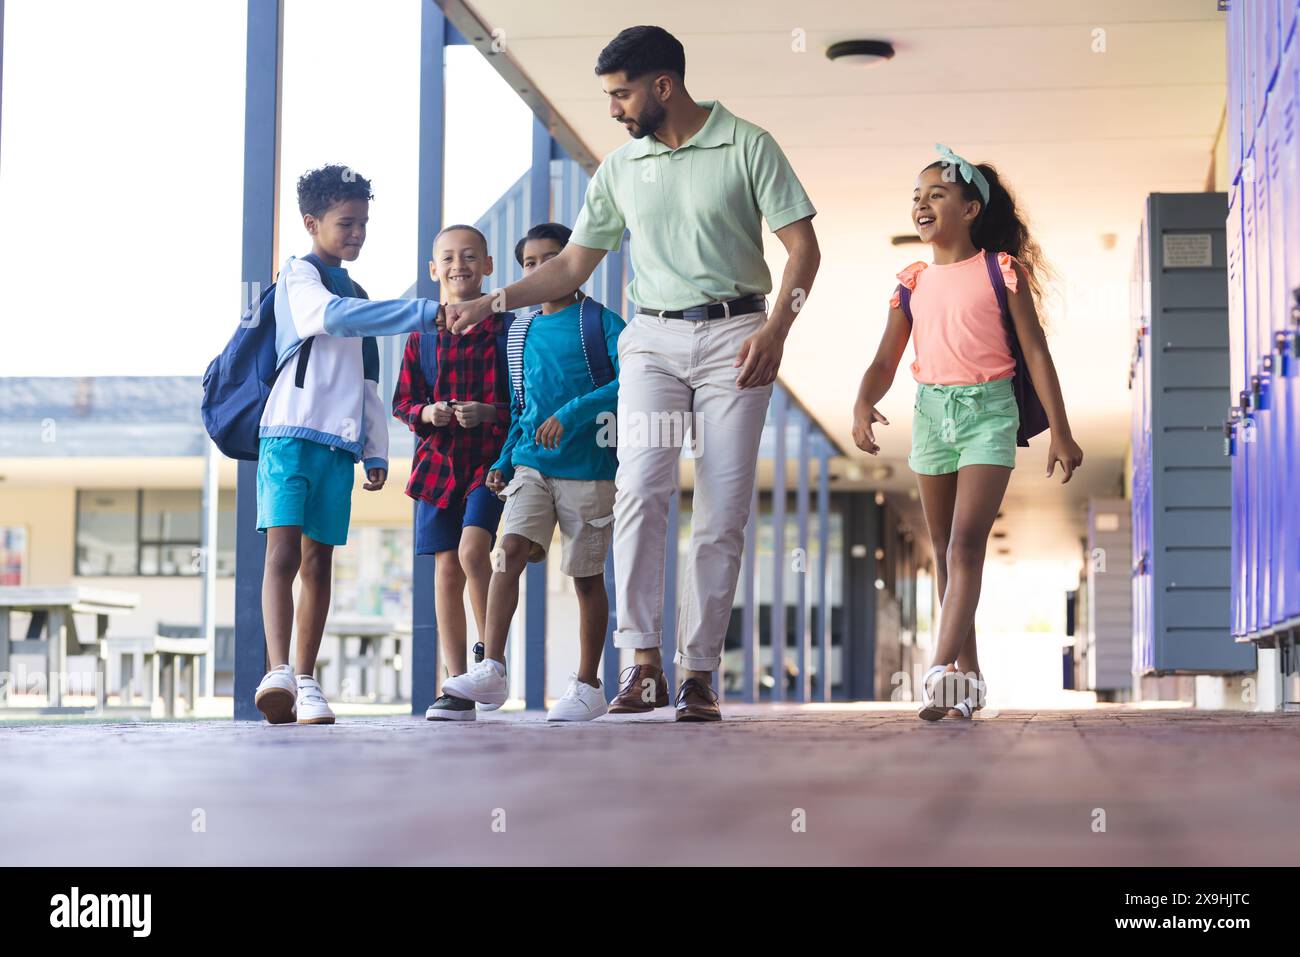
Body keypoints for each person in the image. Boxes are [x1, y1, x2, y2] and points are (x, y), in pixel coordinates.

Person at [446, 26, 820, 722]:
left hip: (738, 338)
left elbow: (804, 249)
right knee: (642, 488)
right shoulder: (620, 168)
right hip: (652, 342)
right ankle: (643, 664)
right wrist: (494, 301)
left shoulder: (748, 145)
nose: (614, 109)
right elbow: (570, 266)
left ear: (663, 86)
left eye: (621, 94)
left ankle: (699, 671)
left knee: (721, 510)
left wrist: (777, 329)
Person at [851, 145, 1084, 720]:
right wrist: (862, 401)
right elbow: (884, 359)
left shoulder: (1001, 270)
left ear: (971, 208)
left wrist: (1061, 430)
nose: (922, 204)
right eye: (917, 196)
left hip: (989, 412)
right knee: (942, 552)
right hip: (931, 414)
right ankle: (969, 678)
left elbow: (1035, 351)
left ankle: (939, 669)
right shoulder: (912, 281)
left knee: (965, 546)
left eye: (937, 194)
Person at [253, 164, 443, 725]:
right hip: (287, 437)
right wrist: (425, 312)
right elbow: (332, 318)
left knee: (319, 562)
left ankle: (307, 680)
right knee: (282, 554)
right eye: (346, 223)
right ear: (311, 223)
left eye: (363, 223)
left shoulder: (358, 294)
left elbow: (368, 382)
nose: (357, 233)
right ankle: (277, 671)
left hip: (337, 448)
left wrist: (375, 449)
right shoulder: (299, 277)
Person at [441, 223, 625, 721]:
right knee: (507, 552)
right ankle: (492, 666)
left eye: (551, 259)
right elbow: (523, 408)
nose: (539, 270)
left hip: (590, 469)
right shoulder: (520, 332)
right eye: (529, 263)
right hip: (532, 465)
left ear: (574, 263)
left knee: (586, 578)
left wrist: (571, 414)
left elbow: (631, 380)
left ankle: (588, 684)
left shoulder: (600, 323)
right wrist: (504, 461)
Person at [392, 224, 513, 721]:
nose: (458, 265)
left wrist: (489, 413)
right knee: (446, 568)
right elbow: (403, 402)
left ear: (488, 265)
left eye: (469, 256)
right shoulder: (422, 334)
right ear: (433, 269)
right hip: (437, 466)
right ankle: (456, 682)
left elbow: (525, 403)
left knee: (473, 551)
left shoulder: (508, 330)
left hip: (490, 462)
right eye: (448, 257)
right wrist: (427, 412)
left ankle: (490, 664)